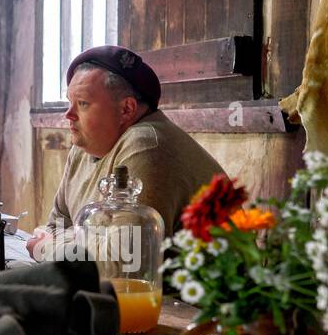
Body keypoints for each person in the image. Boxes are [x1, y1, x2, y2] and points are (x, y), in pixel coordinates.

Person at [26, 45, 225, 262]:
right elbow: (55, 226)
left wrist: (47, 249)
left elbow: (124, 261)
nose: (69, 114)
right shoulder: (84, 146)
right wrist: (81, 246)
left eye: (82, 104)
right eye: (69, 102)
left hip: (199, 294)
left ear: (126, 110)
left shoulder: (147, 145)